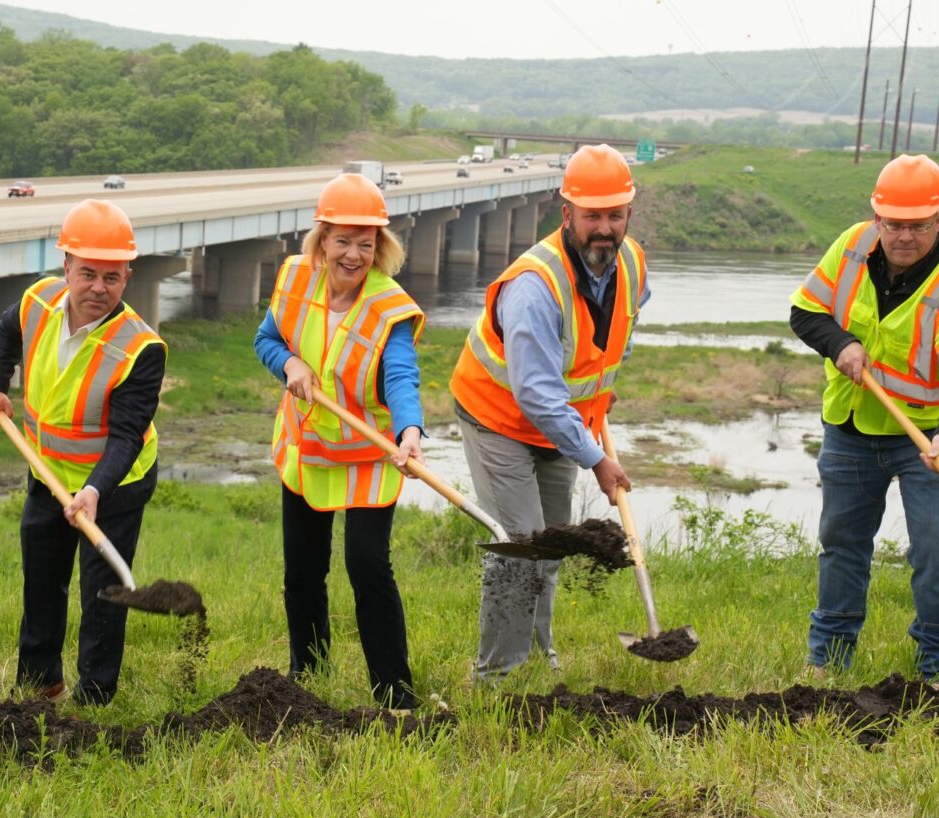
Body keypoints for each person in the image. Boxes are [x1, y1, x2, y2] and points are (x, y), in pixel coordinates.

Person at [790, 154, 939, 687]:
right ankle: (828, 657)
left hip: (927, 439)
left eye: (917, 225)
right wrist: (841, 343)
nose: (903, 236)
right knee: (842, 541)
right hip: (851, 429)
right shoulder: (853, 245)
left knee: (937, 547)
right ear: (877, 217)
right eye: (894, 224)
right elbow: (805, 312)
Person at [449, 144, 649, 682]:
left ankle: (539, 656)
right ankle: (498, 677)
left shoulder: (631, 262)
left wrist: (599, 402)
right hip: (498, 417)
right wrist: (596, 460)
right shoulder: (536, 286)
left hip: (561, 425)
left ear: (628, 213)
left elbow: (620, 335)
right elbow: (535, 394)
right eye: (592, 216)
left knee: (552, 542)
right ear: (568, 215)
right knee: (521, 547)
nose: (603, 227)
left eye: (614, 215)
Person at [0, 199, 166, 706]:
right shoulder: (37, 300)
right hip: (46, 469)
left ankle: (96, 696)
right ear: (66, 267)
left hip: (115, 486)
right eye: (87, 274)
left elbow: (127, 436)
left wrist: (95, 491)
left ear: (128, 275)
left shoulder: (141, 348)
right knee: (42, 579)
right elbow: (7, 328)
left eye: (112, 277)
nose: (98, 288)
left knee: (104, 593)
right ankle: (40, 683)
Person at [255, 173, 426, 710]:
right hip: (308, 450)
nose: (353, 254)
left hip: (370, 456)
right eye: (343, 240)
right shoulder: (293, 279)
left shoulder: (388, 305)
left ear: (381, 247)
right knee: (302, 570)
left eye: (366, 243)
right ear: (322, 239)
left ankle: (394, 692)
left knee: (368, 567)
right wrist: (290, 362)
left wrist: (410, 432)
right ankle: (306, 675)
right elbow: (266, 339)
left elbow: (400, 375)